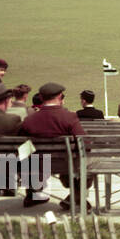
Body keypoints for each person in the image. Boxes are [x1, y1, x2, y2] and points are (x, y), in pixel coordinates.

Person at [20, 83, 90, 212]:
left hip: (37, 165)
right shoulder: (69, 117)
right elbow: (84, 143)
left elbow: (21, 147)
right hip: (66, 165)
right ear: (59, 96)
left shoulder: (29, 119)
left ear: (41, 98)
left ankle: (32, 193)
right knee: (88, 165)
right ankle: (77, 195)